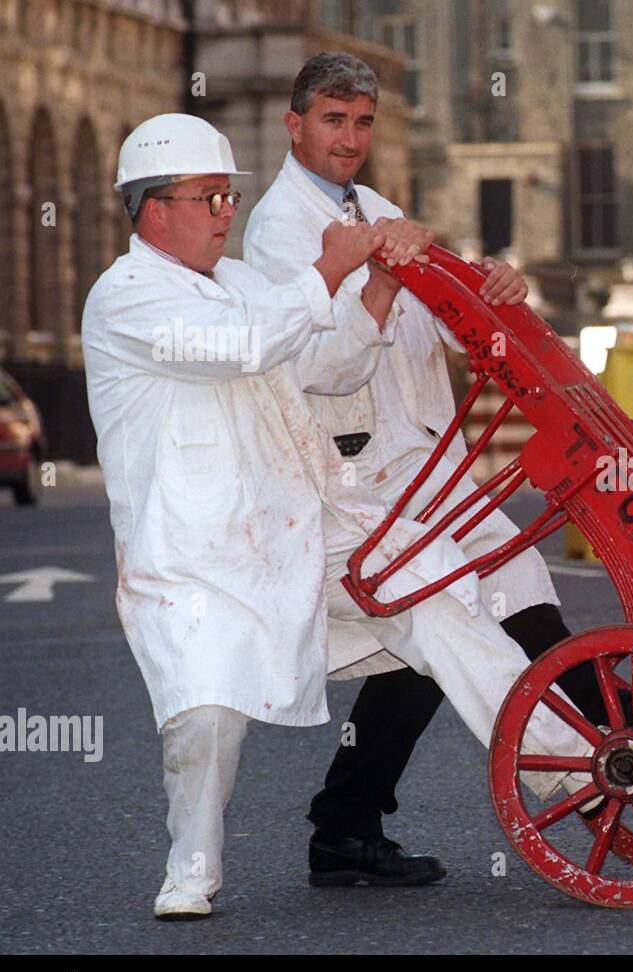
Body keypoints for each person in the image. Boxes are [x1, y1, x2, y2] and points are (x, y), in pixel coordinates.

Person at [85, 114, 593, 921]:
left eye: (229, 195)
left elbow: (327, 366)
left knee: (437, 598)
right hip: (199, 555)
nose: (226, 211)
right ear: (153, 207)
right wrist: (329, 268)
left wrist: (379, 290)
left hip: (303, 526)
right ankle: (191, 867)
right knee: (207, 719)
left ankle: (574, 766)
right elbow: (242, 346)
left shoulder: (243, 280)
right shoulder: (126, 297)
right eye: (210, 196)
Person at [243, 53, 633, 882]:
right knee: (452, 611)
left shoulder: (377, 207)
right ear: (294, 125)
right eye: (331, 119)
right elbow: (319, 367)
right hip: (362, 471)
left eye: (361, 122)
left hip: (425, 462)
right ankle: (613, 748)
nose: (349, 138)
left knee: (475, 606)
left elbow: (452, 314)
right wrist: (383, 282)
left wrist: (499, 286)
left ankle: (347, 825)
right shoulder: (276, 234)